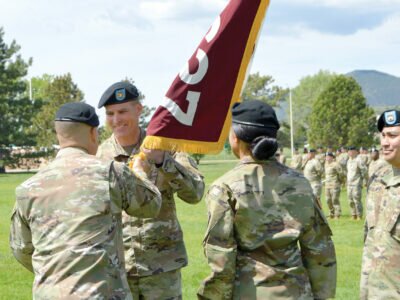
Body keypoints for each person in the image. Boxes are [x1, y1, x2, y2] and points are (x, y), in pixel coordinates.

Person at [9, 102, 162, 300]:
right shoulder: (111, 172)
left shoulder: (28, 187)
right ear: (92, 133)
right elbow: (151, 206)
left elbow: (21, 248)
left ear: (59, 135)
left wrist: (58, 274)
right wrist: (140, 170)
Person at [197, 100, 336, 299]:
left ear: (235, 137)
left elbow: (221, 258)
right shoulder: (301, 183)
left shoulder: (225, 187)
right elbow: (319, 250)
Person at [97, 81, 205, 299]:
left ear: (139, 110)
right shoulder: (98, 156)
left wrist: (163, 161)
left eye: (122, 111)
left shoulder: (166, 146)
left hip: (161, 267)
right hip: (118, 268)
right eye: (110, 114)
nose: (116, 120)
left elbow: (195, 193)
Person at [360, 110, 400, 299]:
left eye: (393, 136)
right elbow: (370, 238)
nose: (385, 142)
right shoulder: (377, 177)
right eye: (383, 135)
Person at [346, 146, 367, 220]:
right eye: (349, 151)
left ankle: (359, 215)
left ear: (355, 152)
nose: (350, 152)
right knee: (350, 200)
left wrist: (364, 180)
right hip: (349, 183)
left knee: (357, 200)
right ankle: (353, 214)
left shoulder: (358, 160)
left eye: (351, 151)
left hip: (356, 183)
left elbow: (364, 171)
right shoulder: (348, 161)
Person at [324, 152, 344, 219]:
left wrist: (340, 181)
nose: (327, 158)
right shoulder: (326, 164)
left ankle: (337, 214)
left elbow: (341, 174)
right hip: (327, 185)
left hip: (334, 184)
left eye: (328, 157)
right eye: (326, 157)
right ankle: (331, 214)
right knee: (328, 200)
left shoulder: (336, 164)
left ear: (332, 157)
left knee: (334, 199)